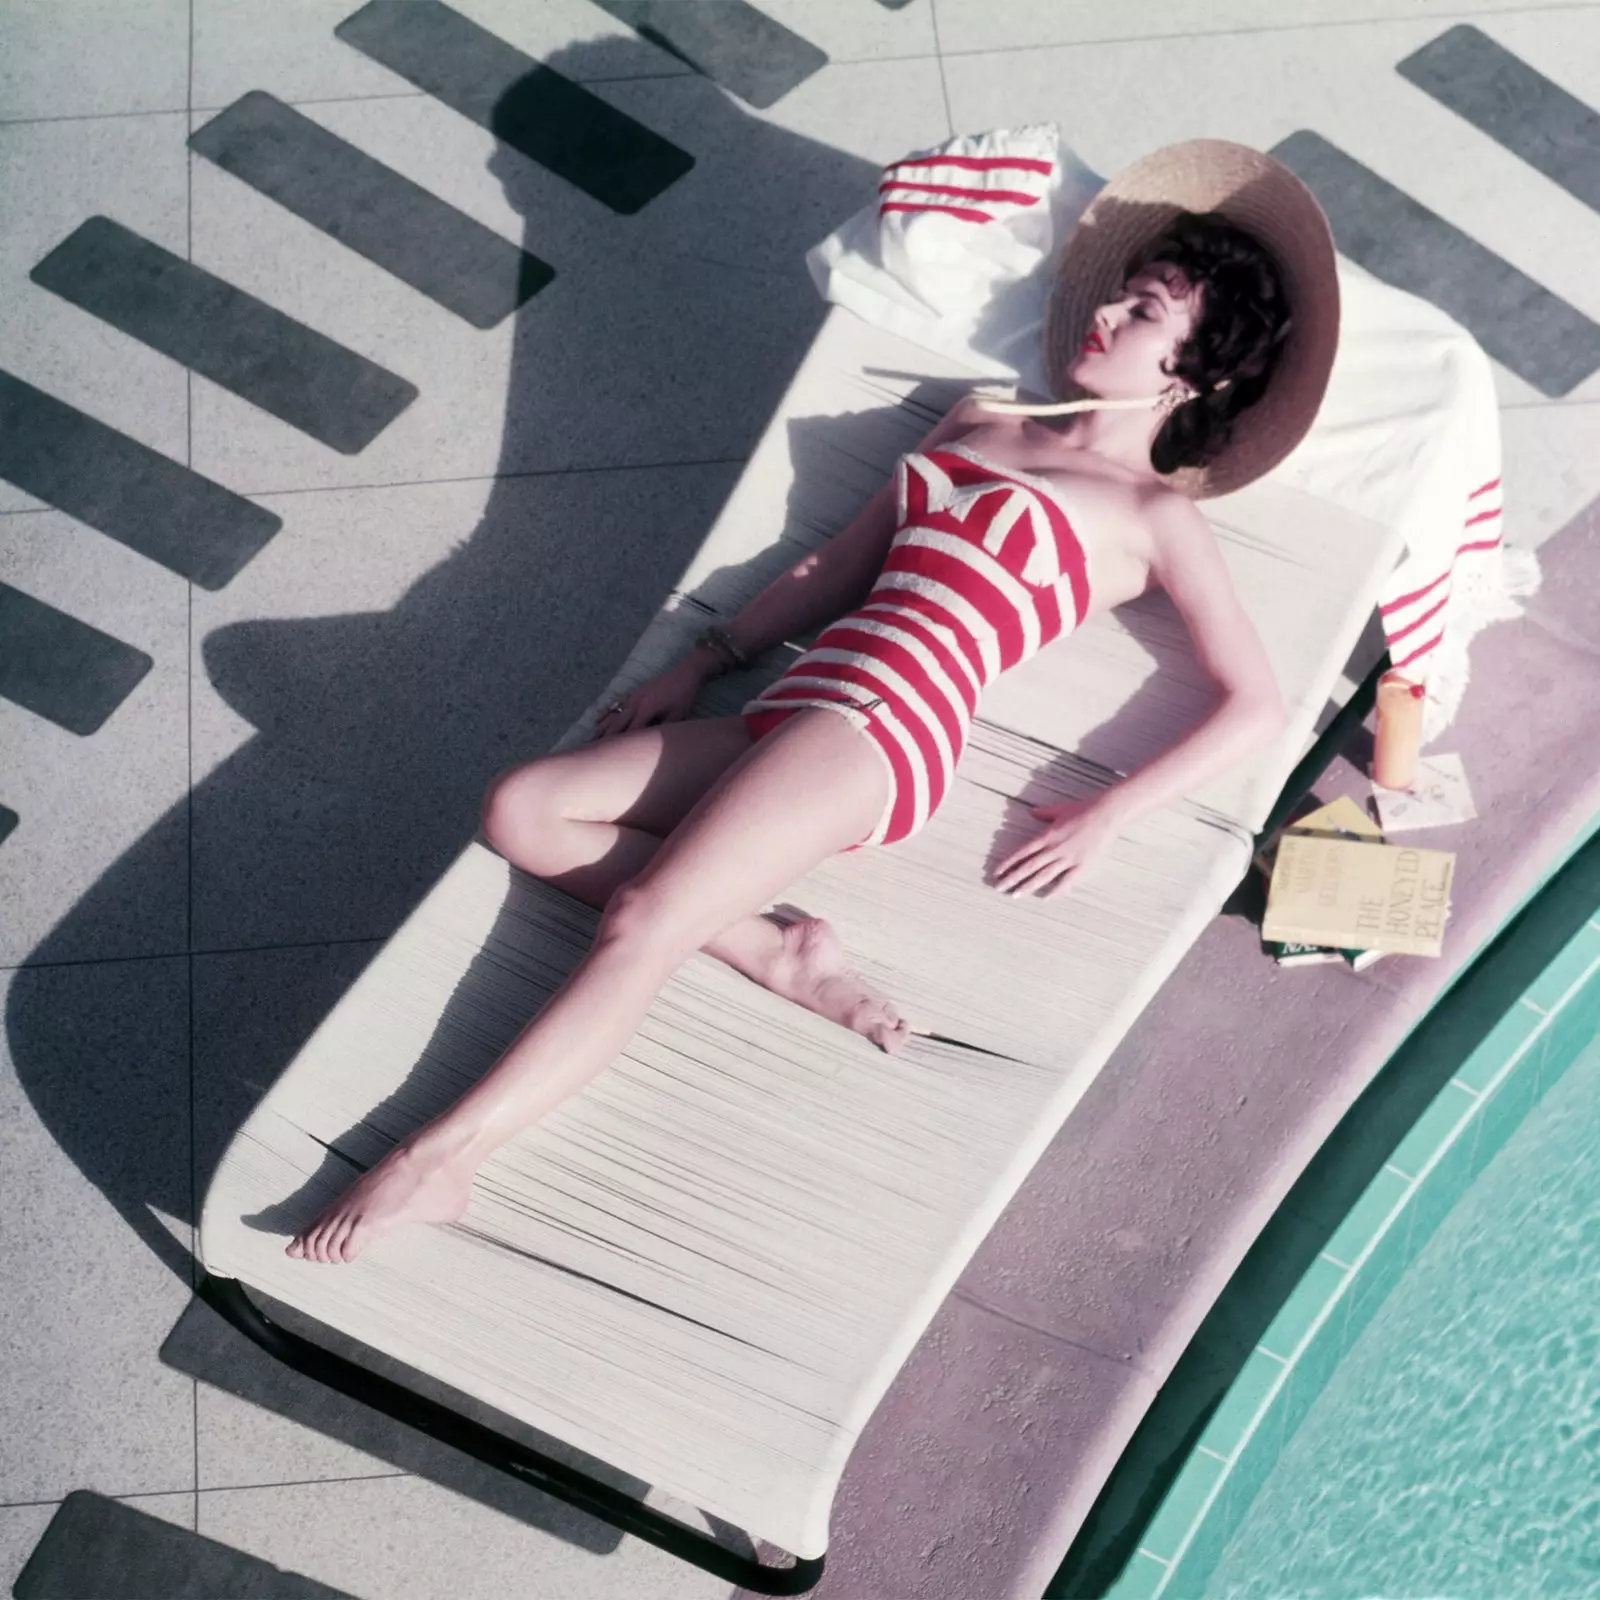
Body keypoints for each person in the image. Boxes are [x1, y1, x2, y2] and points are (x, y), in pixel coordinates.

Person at [288, 140, 1339, 1264]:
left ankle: (442, 1157)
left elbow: (1254, 705)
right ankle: (777, 955)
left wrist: (1107, 812)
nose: (1103, 320)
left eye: (1140, 315)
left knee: (640, 920)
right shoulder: (977, 422)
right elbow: (837, 568)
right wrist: (707, 655)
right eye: (1120, 297)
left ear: (1193, 375)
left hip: (885, 734)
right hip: (799, 700)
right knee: (523, 809)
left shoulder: (1150, 514)